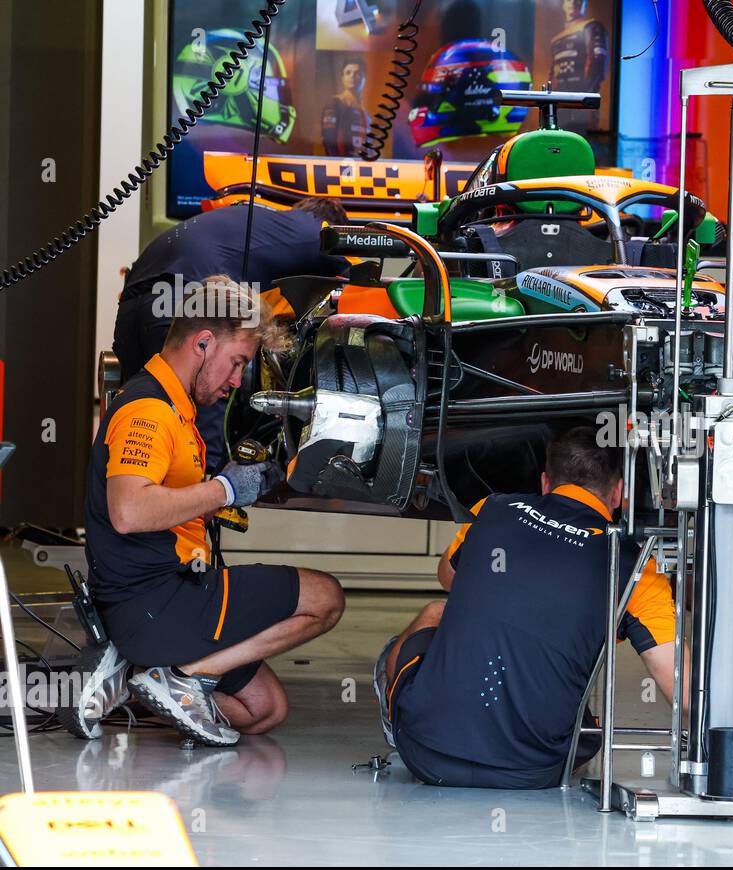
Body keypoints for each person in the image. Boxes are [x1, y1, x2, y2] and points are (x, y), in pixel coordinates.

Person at [66, 276, 346, 747]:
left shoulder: (176, 407)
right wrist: (223, 490)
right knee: (325, 596)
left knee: (263, 709)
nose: (237, 381)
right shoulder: (149, 411)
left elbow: (166, 502)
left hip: (154, 599)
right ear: (202, 342)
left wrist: (222, 499)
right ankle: (184, 676)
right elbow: (129, 511)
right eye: (237, 362)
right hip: (156, 600)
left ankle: (131, 679)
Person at [372, 426, 679, 789]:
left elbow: (449, 577)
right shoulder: (636, 566)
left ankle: (397, 711)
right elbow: (680, 689)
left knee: (436, 612)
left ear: (545, 482)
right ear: (618, 493)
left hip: (424, 753)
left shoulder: (492, 508)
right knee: (577, 709)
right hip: (534, 770)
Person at [112, 197, 351, 469]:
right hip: (180, 296)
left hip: (134, 301)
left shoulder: (260, 222)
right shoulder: (317, 231)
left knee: (137, 420)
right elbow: (355, 292)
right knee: (203, 413)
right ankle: (209, 485)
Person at [321, 59, 371, 157]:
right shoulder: (333, 105)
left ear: (364, 78)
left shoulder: (366, 115)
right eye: (348, 73)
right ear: (342, 78)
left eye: (357, 73)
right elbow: (328, 141)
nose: (352, 76)